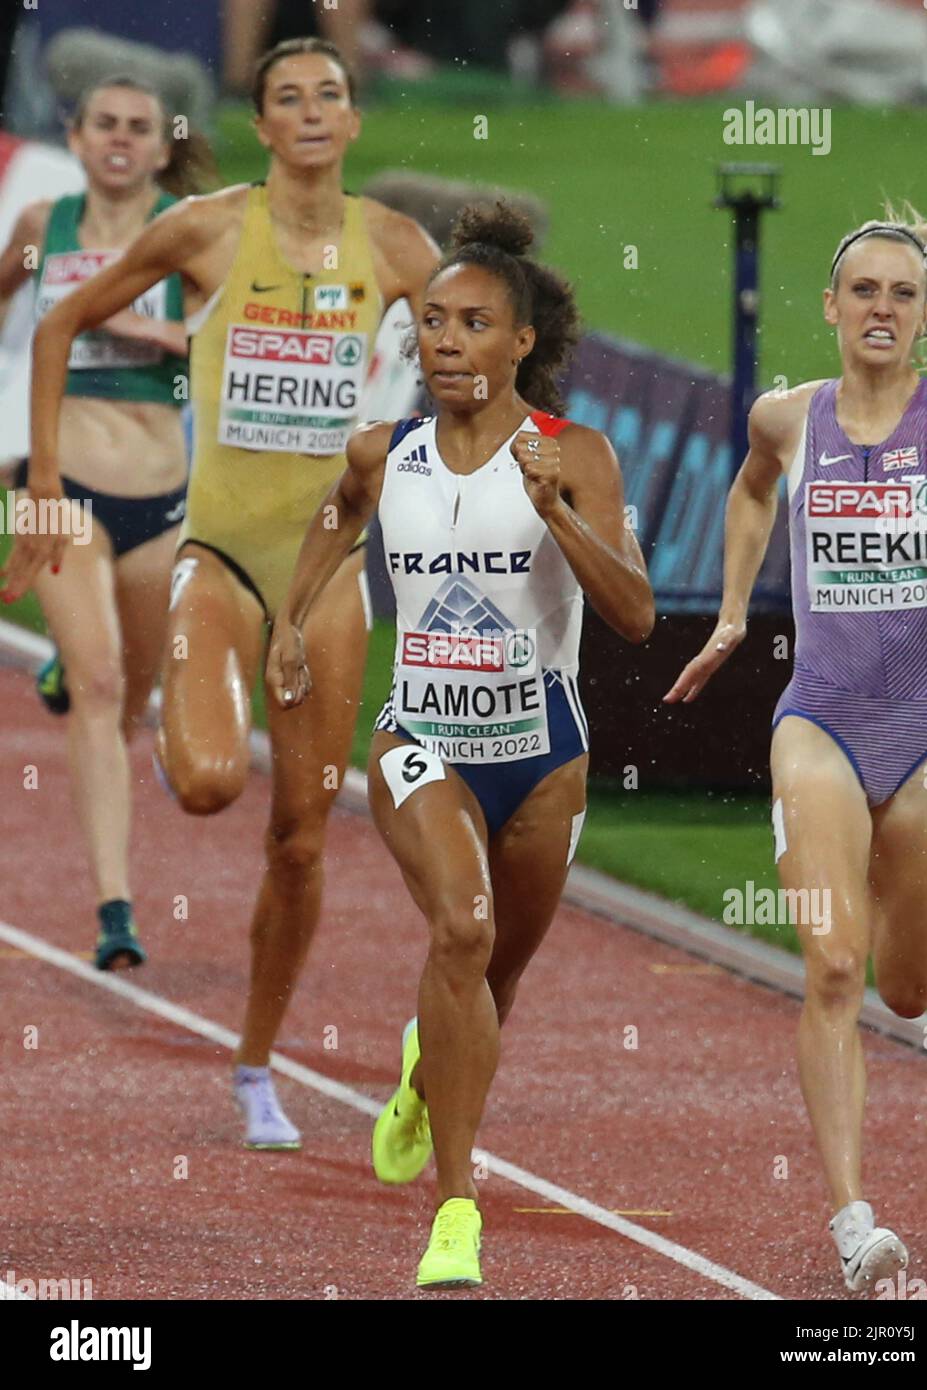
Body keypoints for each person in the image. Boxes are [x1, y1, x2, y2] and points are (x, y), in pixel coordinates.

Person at [2, 38, 439, 1150]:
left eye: (327, 96)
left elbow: (470, 365)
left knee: (298, 837)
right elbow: (56, 323)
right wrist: (43, 484)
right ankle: (175, 722)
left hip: (330, 575)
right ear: (259, 123)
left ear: (350, 123)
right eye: (285, 96)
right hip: (221, 554)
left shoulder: (394, 245)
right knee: (203, 785)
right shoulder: (205, 230)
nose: (307, 112)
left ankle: (255, 1065)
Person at [267, 201, 654, 1288]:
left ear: (520, 342)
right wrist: (293, 621)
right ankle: (456, 1212)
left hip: (542, 760)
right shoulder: (381, 452)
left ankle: (421, 1074)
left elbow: (631, 615)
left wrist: (563, 517)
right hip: (418, 744)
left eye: (471, 324)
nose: (442, 341)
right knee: (462, 928)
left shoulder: (572, 454)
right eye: (429, 321)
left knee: (493, 974)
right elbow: (338, 516)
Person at [666, 214, 927, 1292]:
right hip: (821, 717)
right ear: (830, 308)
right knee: (833, 966)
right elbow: (748, 490)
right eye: (863, 290)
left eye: (901, 293)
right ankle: (853, 1222)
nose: (880, 307)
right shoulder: (785, 419)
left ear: (924, 317)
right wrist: (736, 613)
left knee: (905, 989)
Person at [0, 76, 212, 969]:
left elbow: (240, 338)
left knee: (130, 691)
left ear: (163, 148)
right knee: (95, 685)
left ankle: (75, 666)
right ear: (77, 137)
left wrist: (143, 329)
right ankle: (114, 908)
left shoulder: (192, 230)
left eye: (138, 128)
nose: (121, 140)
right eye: (104, 125)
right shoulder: (40, 227)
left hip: (161, 497)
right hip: (59, 486)